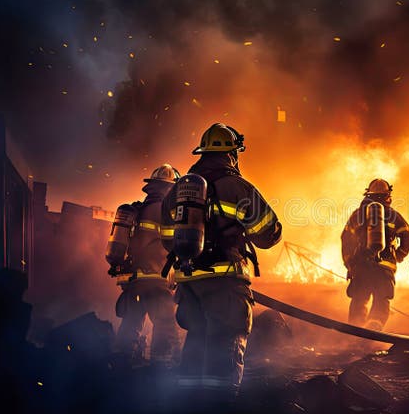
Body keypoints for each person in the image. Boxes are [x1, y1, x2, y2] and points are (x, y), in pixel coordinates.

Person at [161, 123, 282, 401]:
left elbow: (167, 239)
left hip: (188, 282)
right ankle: (219, 404)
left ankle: (188, 403)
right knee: (227, 339)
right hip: (225, 281)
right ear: (233, 154)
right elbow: (268, 234)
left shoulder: (180, 190)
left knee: (197, 339)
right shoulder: (237, 186)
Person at [110, 164, 180, 367]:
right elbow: (177, 244)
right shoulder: (165, 211)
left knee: (131, 324)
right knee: (165, 326)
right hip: (156, 280)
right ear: (169, 188)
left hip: (134, 282)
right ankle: (161, 370)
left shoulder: (138, 210)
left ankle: (120, 366)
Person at [341, 179, 409, 330]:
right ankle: (375, 326)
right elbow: (407, 234)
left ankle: (355, 330)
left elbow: (346, 238)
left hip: (361, 266)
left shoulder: (358, 214)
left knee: (359, 299)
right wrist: (399, 255)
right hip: (385, 268)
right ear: (388, 195)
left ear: (368, 194)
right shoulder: (393, 215)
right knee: (382, 300)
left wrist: (350, 264)